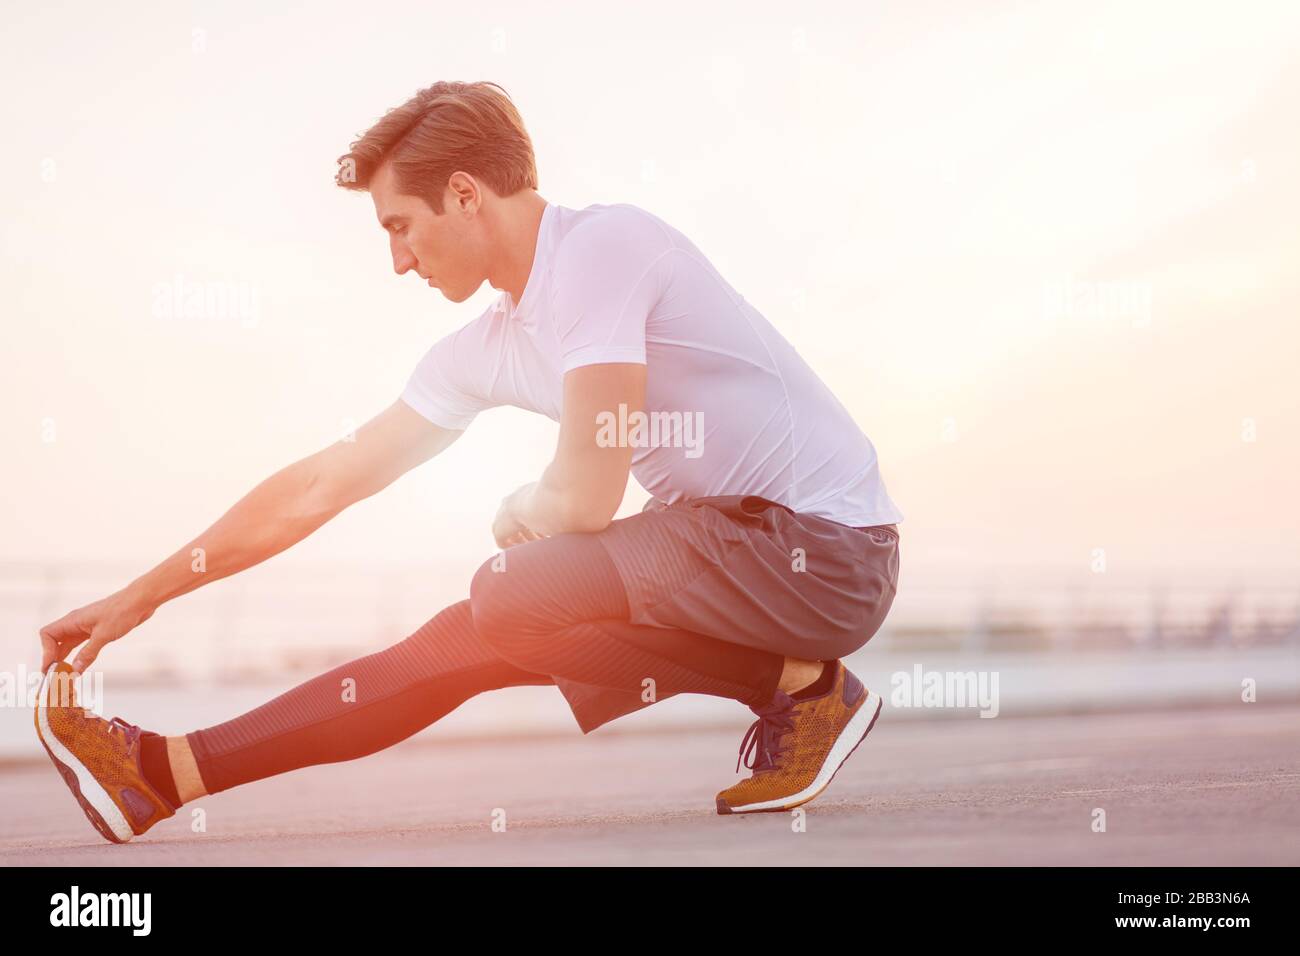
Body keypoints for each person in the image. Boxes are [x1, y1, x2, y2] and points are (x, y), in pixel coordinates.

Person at [34, 80, 903, 844]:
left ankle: (803, 683)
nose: (397, 259)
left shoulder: (602, 250)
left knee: (512, 593)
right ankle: (161, 775)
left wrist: (524, 506)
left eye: (400, 227)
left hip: (828, 552)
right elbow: (318, 486)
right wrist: (139, 596)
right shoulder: (484, 347)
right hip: (724, 547)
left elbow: (589, 490)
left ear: (463, 193)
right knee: (476, 629)